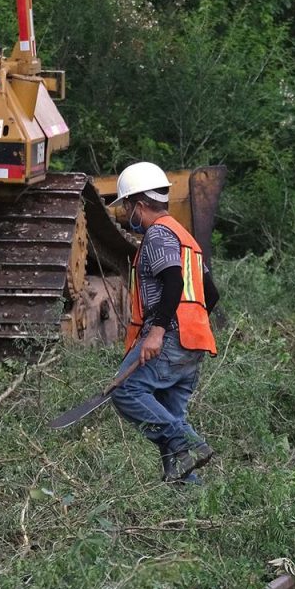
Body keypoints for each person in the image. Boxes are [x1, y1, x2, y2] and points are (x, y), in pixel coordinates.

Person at [108, 162, 220, 485]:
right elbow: (210, 295)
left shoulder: (158, 234)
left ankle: (189, 442)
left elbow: (172, 281)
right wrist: (190, 325)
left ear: (139, 204)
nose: (125, 212)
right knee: (172, 421)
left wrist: (158, 332)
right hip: (194, 343)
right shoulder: (187, 240)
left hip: (169, 339)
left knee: (125, 390)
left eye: (126, 205)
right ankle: (190, 502)